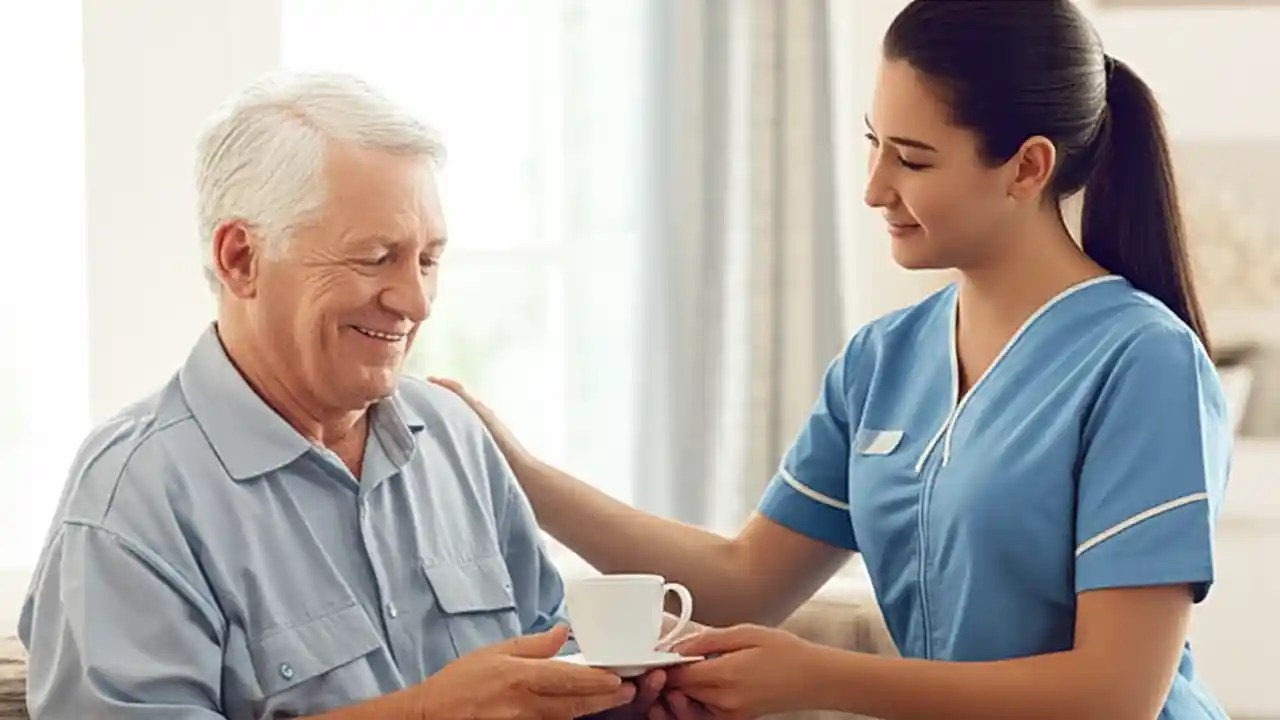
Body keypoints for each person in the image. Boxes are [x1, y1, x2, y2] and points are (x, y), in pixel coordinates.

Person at [434, 1, 1232, 717]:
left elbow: (1116, 694)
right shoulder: (882, 360)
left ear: (1027, 167)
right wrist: (514, 466)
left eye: (913, 159)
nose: (874, 187)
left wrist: (822, 677)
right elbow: (744, 582)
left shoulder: (1142, 362)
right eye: (873, 144)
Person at [18, 72, 663, 720]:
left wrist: (636, 693)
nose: (415, 302)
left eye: (428, 260)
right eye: (376, 258)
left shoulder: (454, 436)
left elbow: (547, 653)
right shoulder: (134, 498)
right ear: (241, 258)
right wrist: (426, 713)